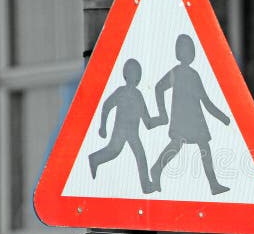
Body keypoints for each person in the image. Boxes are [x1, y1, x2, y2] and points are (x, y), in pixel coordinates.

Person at [150, 34, 231, 195]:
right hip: (182, 120)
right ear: (178, 52)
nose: (186, 52)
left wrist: (223, 118)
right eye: (183, 49)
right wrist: (163, 114)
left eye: (189, 49)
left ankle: (213, 185)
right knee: (177, 145)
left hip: (195, 120)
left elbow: (206, 101)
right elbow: (159, 88)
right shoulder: (176, 73)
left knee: (203, 146)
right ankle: (156, 169)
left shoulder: (194, 74)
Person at [89, 59, 163, 193]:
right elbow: (107, 106)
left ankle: (146, 186)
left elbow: (147, 122)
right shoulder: (121, 92)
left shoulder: (138, 95)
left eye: (136, 73)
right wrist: (103, 127)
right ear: (125, 74)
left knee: (140, 156)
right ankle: (94, 159)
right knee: (114, 151)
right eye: (131, 72)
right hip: (120, 131)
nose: (134, 76)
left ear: (139, 77)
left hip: (133, 133)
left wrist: (161, 120)